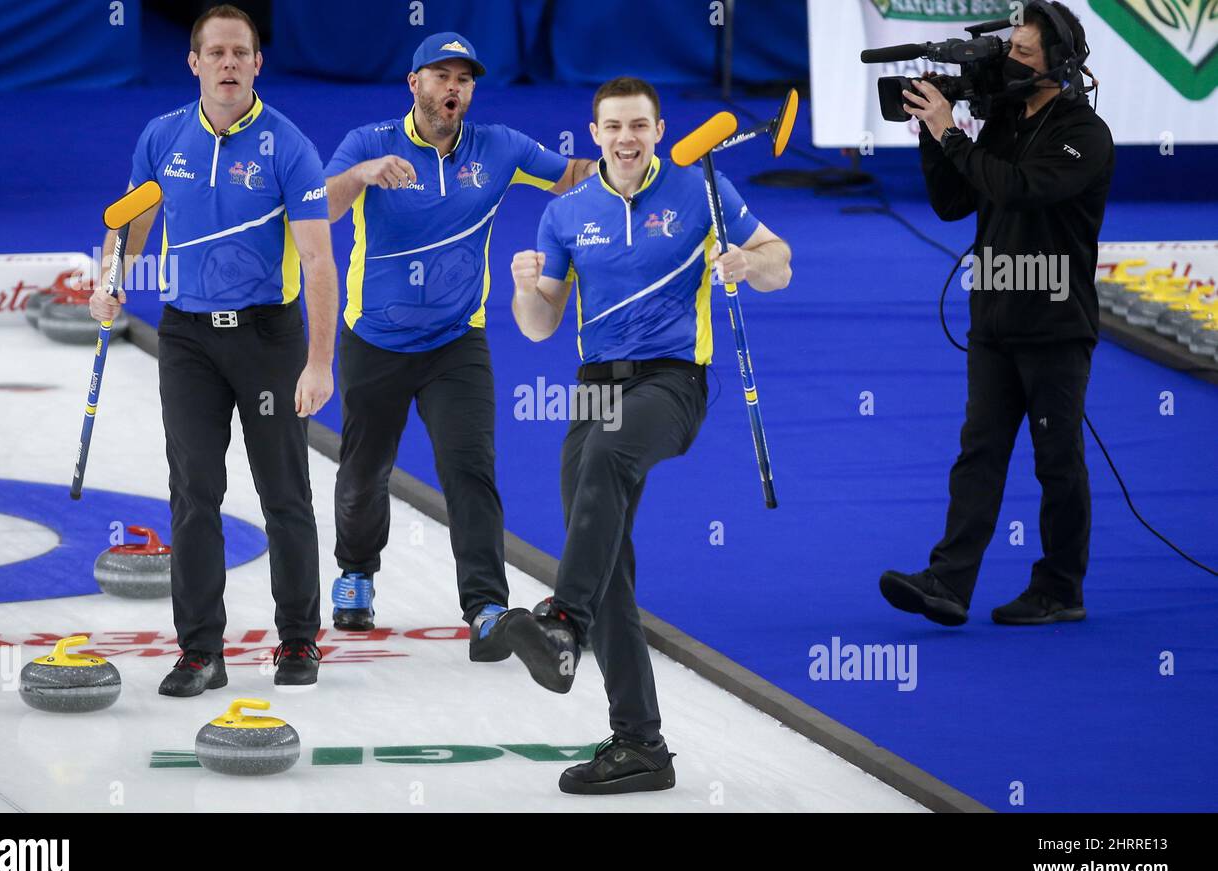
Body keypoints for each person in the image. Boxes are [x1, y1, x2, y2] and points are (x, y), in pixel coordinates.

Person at [497, 76, 792, 794]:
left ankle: (562, 621)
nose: (626, 139)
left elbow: (780, 263)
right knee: (607, 565)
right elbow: (540, 327)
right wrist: (521, 287)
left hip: (671, 385)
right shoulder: (565, 213)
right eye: (613, 127)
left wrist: (747, 264)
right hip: (595, 387)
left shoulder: (700, 192)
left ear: (658, 131)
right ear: (593, 134)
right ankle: (640, 746)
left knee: (608, 455)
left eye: (639, 126)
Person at [321, 32, 596, 661]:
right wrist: (361, 175)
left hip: (456, 343)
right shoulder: (369, 143)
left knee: (470, 470)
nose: (453, 88)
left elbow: (575, 178)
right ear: (413, 84)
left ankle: (486, 608)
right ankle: (357, 573)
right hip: (375, 341)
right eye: (440, 76)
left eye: (464, 79)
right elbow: (322, 208)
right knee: (364, 475)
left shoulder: (498, 148)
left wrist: (634, 163)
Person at [89, 4, 339, 694]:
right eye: (216, 53)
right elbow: (131, 225)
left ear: (258, 64)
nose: (229, 64)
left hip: (268, 338)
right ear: (194, 62)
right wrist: (108, 286)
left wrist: (319, 362)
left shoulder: (289, 147)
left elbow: (319, 261)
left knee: (284, 492)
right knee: (194, 493)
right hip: (188, 338)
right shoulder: (162, 136)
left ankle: (298, 641)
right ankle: (200, 651)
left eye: (242, 53)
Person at [880, 1, 1113, 627]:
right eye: (1010, 49)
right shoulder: (1006, 121)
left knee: (1055, 457)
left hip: (1056, 324)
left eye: (1024, 55)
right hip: (995, 317)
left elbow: (1019, 190)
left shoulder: (1084, 136)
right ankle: (949, 582)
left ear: (1059, 65)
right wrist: (936, 140)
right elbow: (956, 203)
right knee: (978, 451)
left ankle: (1061, 586)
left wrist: (954, 135)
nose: (1010, 61)